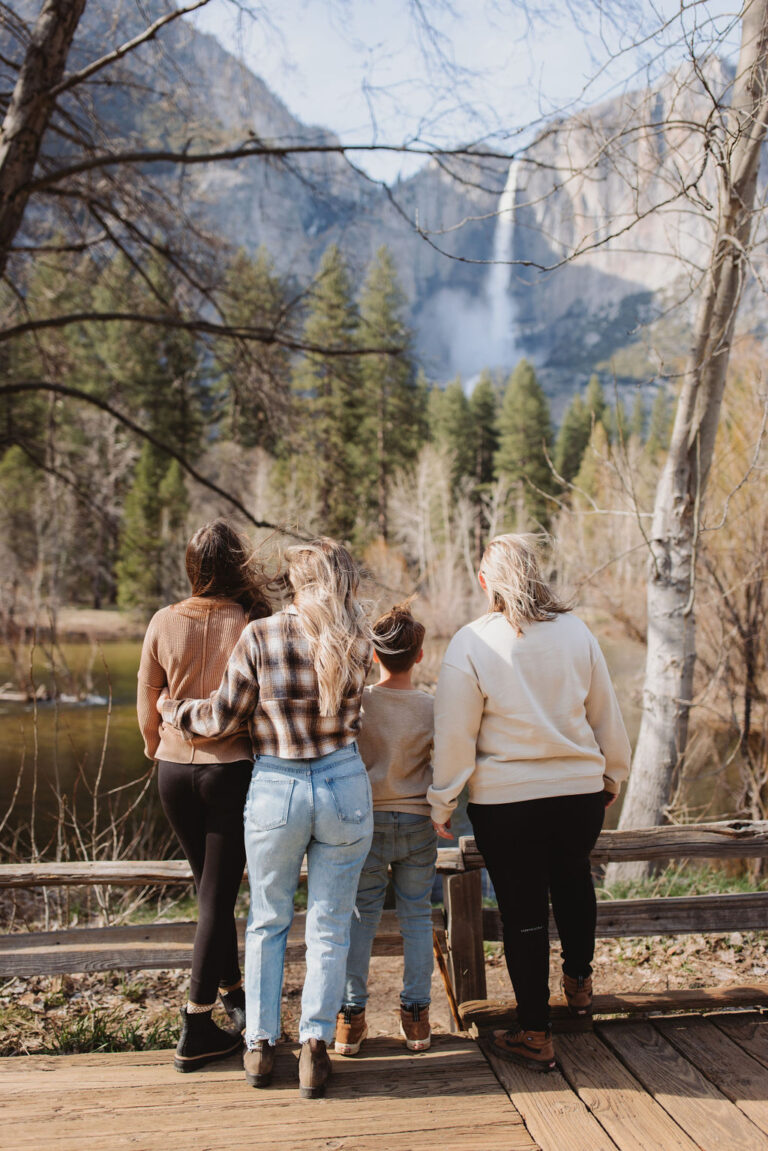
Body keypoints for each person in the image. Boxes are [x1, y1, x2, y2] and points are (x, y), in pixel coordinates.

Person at [159, 537, 375, 1099]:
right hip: (344, 786)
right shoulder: (356, 638)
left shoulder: (262, 634)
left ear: (296, 583)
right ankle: (315, 1049)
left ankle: (258, 1047)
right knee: (329, 925)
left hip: (278, 787)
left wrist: (172, 709)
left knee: (268, 921)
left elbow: (220, 716)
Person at [428, 533, 630, 1073]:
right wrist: (612, 773)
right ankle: (579, 985)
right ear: (536, 573)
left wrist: (442, 800)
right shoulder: (576, 631)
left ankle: (536, 1034)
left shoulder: (472, 642)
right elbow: (605, 710)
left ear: (485, 582)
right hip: (577, 796)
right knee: (572, 881)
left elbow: (454, 734)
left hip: (508, 804)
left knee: (522, 909)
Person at [137, 519, 272, 1073]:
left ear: (192, 567)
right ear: (238, 566)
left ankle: (235, 996)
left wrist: (157, 747)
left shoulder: (164, 620)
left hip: (173, 768)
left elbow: (150, 700)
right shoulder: (251, 622)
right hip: (229, 771)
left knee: (208, 888)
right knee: (217, 894)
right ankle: (195, 1023)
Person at [335, 601, 436, 1058]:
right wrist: (443, 808)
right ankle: (416, 1019)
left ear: (375, 655)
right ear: (419, 656)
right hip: (417, 822)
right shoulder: (432, 707)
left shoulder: (361, 704)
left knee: (362, 917)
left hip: (369, 823)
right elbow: (446, 766)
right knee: (417, 917)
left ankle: (351, 1019)